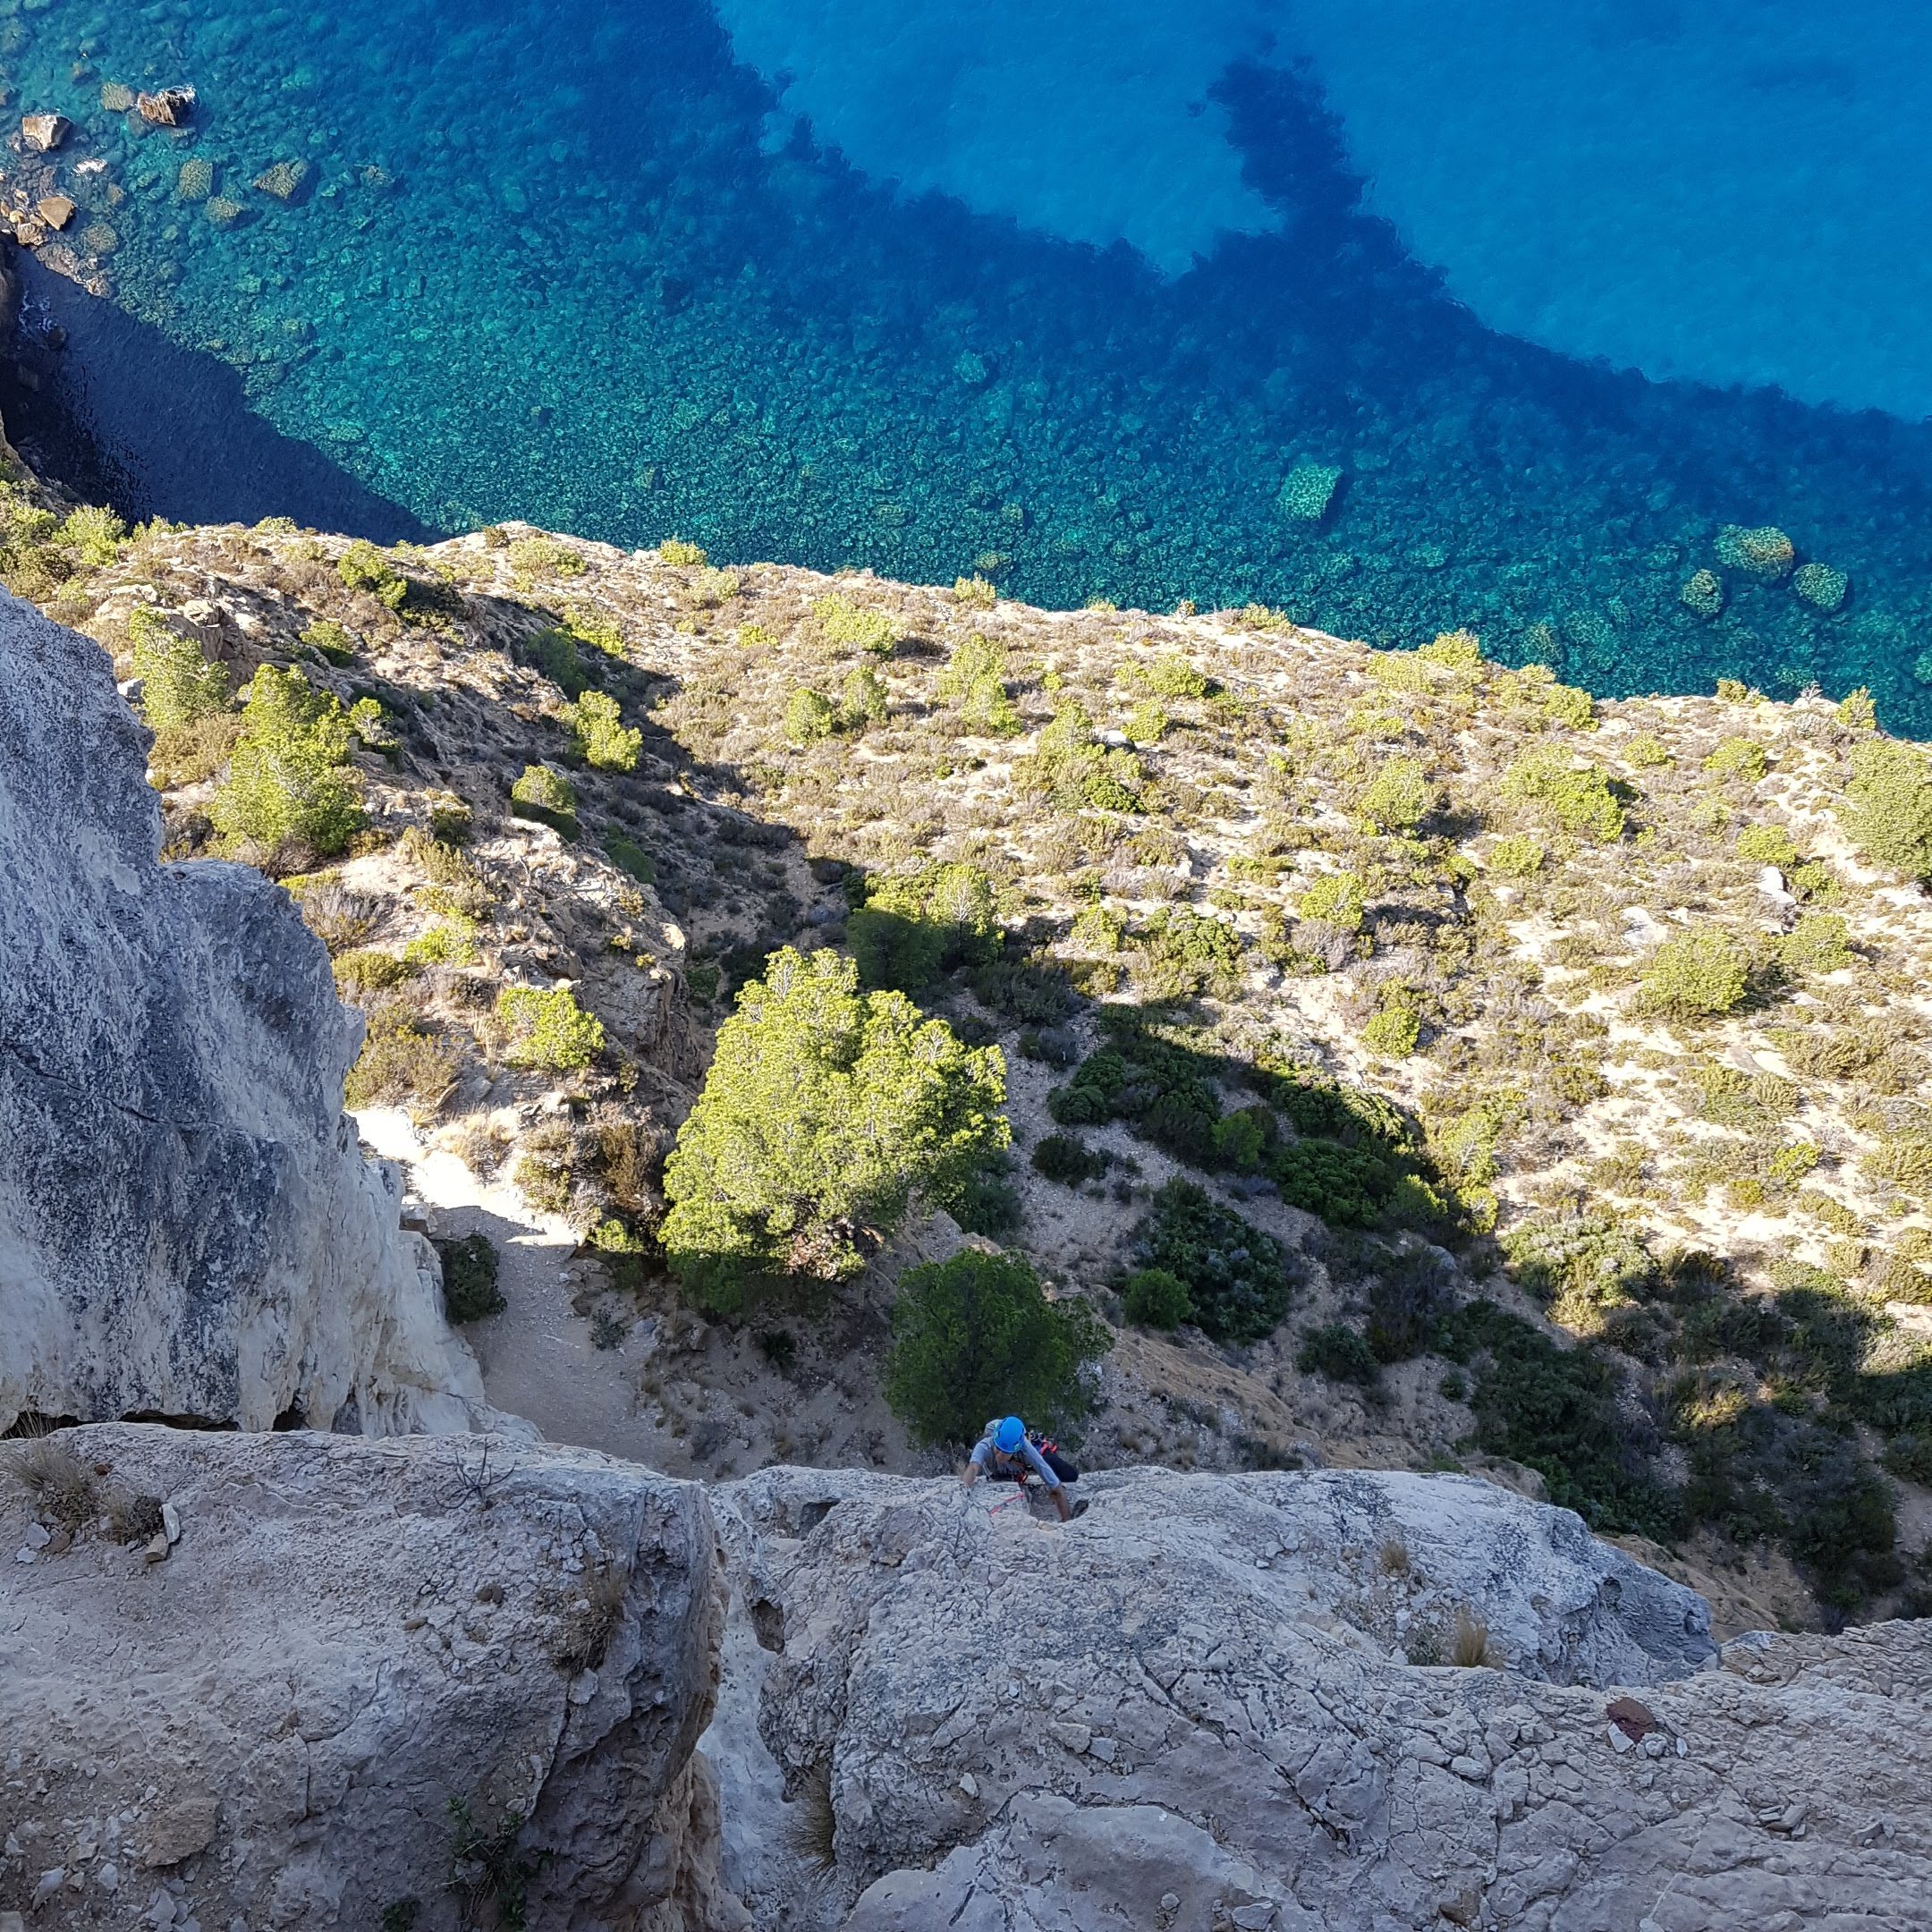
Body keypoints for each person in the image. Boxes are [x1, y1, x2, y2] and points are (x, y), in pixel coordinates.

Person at [962, 1415, 1087, 1521]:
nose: (999, 1456)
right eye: (998, 1449)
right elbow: (973, 1468)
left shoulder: (1027, 1451)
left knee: (1069, 1475)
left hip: (1019, 1461)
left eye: (1004, 1453)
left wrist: (1067, 1521)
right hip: (1001, 1469)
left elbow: (1055, 1485)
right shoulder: (985, 1445)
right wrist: (962, 1491)